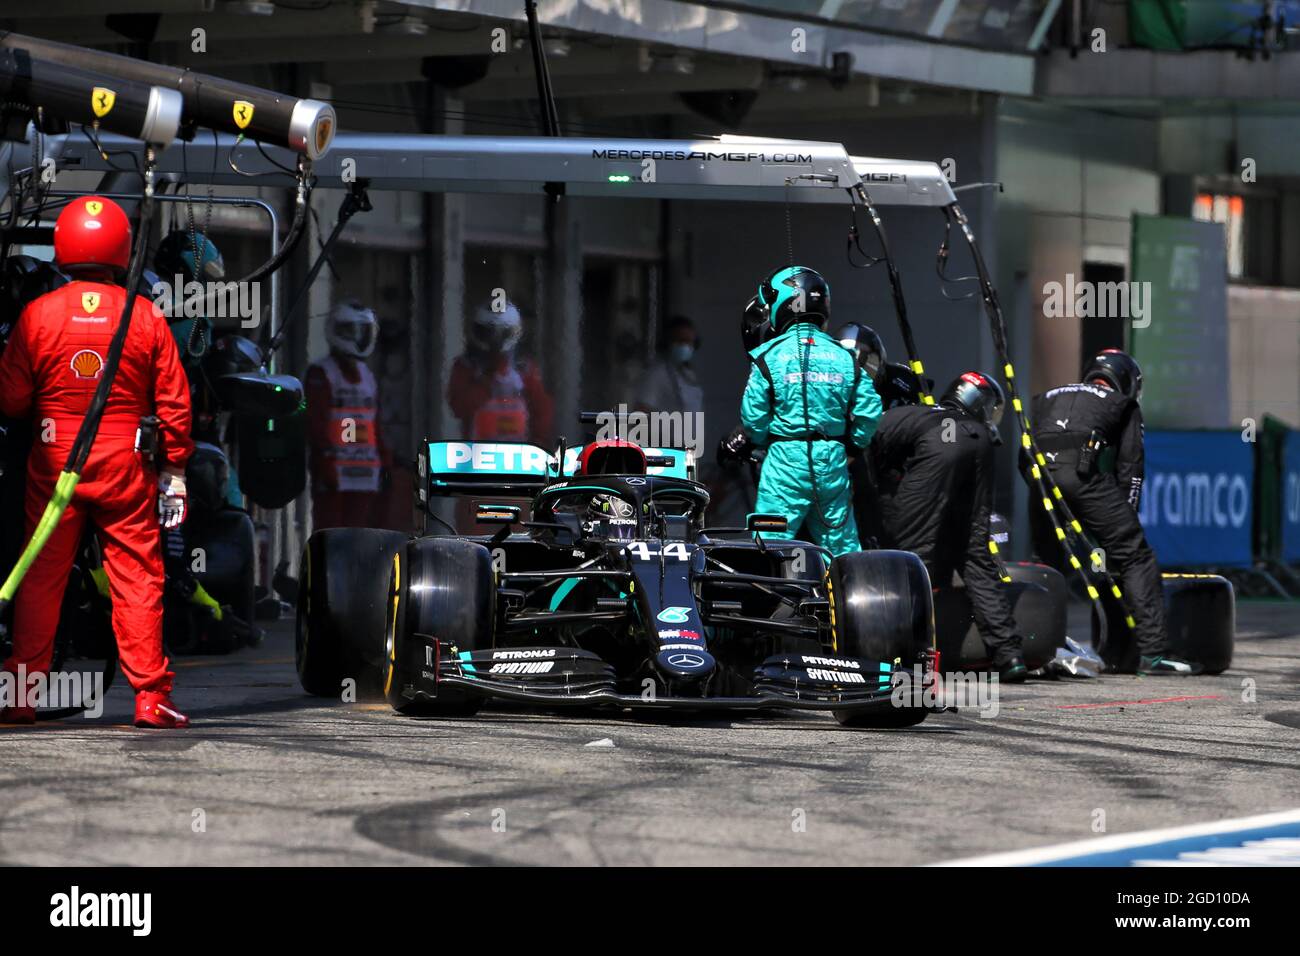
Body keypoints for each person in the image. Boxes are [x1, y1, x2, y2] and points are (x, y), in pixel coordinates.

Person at [0, 195, 193, 727]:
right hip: (126, 466)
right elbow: (175, 401)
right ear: (122, 250)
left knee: (40, 577)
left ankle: (20, 696)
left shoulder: (37, 314)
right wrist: (174, 471)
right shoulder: (146, 316)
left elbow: (12, 400)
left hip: (55, 462)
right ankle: (151, 698)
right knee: (137, 577)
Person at [1029, 349, 1200, 676]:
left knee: (1047, 561)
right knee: (1136, 557)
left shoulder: (1045, 397)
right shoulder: (1123, 404)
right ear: (1125, 381)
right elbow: (1130, 469)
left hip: (1039, 476)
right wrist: (1123, 523)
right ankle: (1153, 655)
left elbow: (1025, 447)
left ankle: (1041, 648)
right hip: (1081, 475)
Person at [870, 371, 1027, 681]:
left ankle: (907, 660)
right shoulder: (980, 429)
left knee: (913, 562)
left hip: (928, 471)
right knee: (976, 557)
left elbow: (866, 441)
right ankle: (1009, 655)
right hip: (976, 452)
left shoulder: (913, 414)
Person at [738, 266, 880, 556]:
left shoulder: (768, 355)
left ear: (781, 304)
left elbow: (753, 418)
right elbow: (870, 410)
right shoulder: (845, 356)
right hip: (832, 460)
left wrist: (766, 443)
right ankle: (843, 600)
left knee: (768, 546)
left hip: (784, 462)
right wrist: (852, 445)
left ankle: (771, 599)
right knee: (843, 553)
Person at [306, 300, 387, 531]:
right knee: (331, 537)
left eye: (363, 331)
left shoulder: (367, 375)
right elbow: (315, 423)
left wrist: (385, 460)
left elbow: (374, 423)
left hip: (366, 476)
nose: (359, 337)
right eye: (353, 331)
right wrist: (325, 460)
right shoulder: (322, 373)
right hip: (334, 476)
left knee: (362, 539)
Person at [448, 300, 553, 446]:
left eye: (499, 334)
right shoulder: (467, 366)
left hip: (519, 455)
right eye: (488, 333)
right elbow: (458, 408)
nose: (493, 341)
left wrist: (537, 444)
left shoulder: (525, 369)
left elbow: (542, 411)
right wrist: (487, 378)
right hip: (476, 454)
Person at [637, 315, 704, 420]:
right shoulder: (656, 374)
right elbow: (641, 411)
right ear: (668, 342)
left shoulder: (690, 374)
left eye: (689, 341)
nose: (685, 346)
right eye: (681, 341)